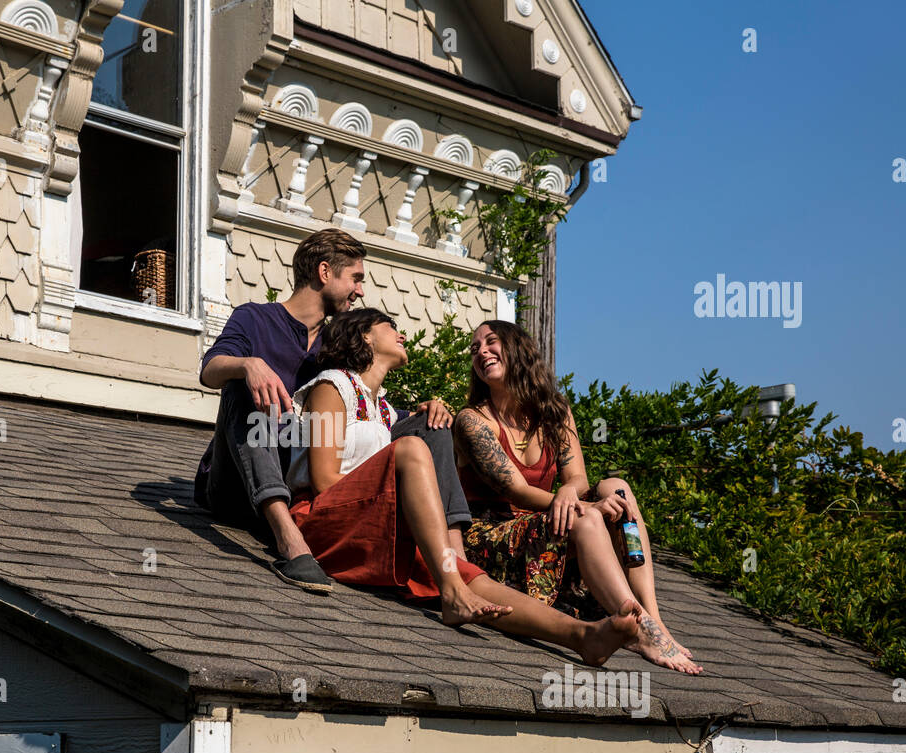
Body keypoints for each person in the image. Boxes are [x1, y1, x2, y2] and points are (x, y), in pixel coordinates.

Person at [287, 307, 678, 671]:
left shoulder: (383, 408)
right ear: (366, 337)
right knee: (415, 462)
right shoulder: (330, 388)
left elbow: (576, 476)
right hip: (328, 518)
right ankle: (457, 590)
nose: (402, 334)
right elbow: (323, 482)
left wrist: (428, 412)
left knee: (472, 573)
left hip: (375, 518)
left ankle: (585, 636)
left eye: (490, 343)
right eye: (391, 327)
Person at [194, 228, 463, 593]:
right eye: (355, 278)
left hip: (298, 479)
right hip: (237, 484)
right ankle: (289, 542)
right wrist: (248, 364)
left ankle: (455, 562)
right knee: (243, 384)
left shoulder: (333, 345)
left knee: (430, 427)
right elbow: (210, 371)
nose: (361, 290)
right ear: (324, 273)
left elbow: (360, 407)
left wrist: (422, 410)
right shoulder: (254, 318)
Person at [452, 321, 701, 674]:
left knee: (617, 489)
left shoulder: (554, 411)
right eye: (475, 349)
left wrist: (571, 491)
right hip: (493, 534)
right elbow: (513, 489)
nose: (481, 352)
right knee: (588, 516)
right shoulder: (472, 420)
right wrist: (582, 505)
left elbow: (578, 477)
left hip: (548, 523)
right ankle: (635, 624)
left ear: (518, 350)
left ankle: (651, 616)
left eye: (491, 342)